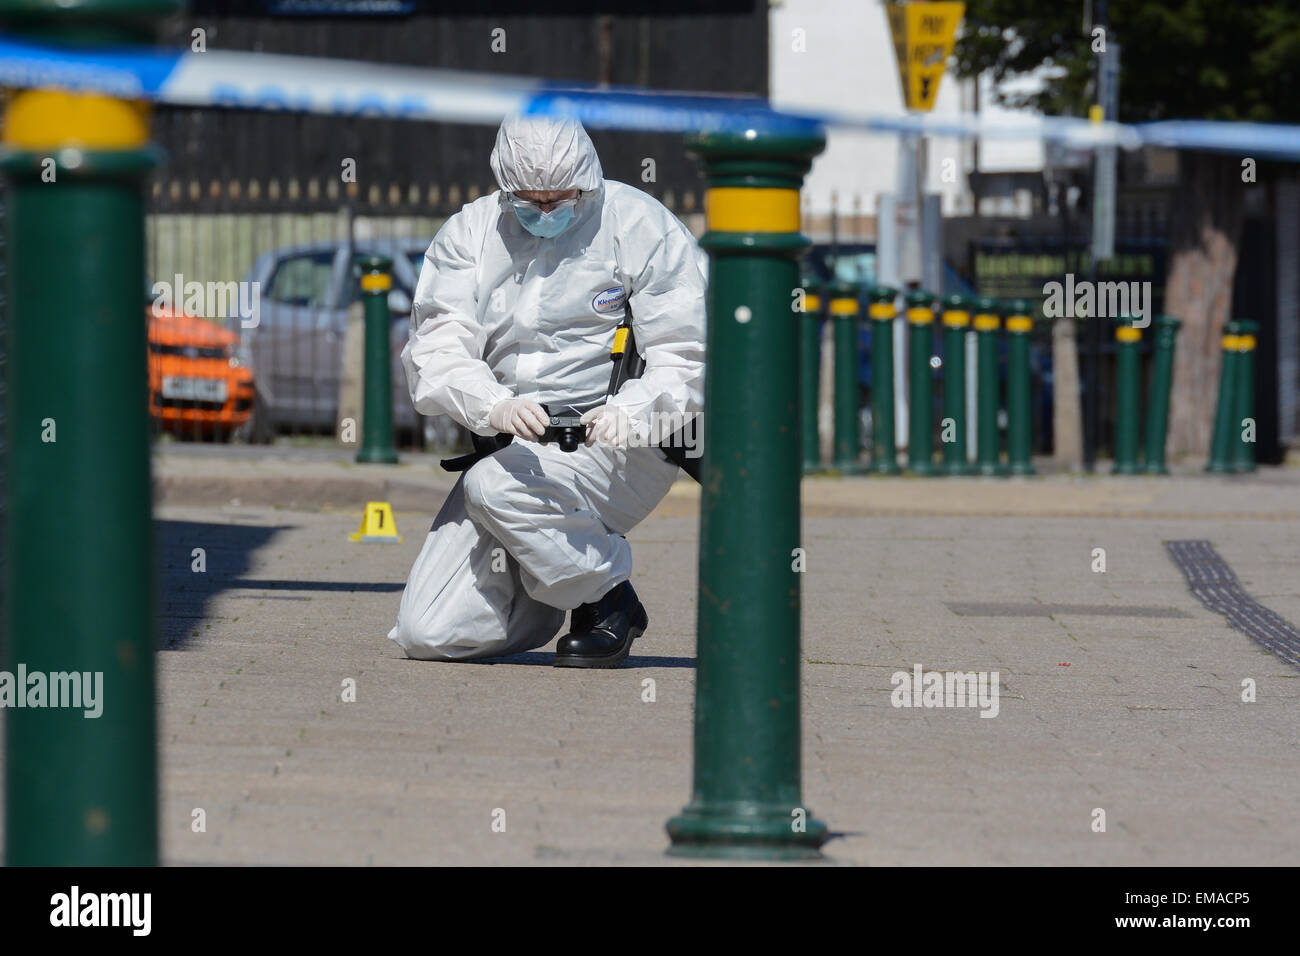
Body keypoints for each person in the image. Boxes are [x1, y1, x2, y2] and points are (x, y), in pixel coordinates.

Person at [387, 114, 707, 668]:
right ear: (503, 186)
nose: (546, 213)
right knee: (428, 631)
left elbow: (689, 353)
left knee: (490, 487)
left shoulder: (639, 226)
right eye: (528, 202)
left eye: (561, 200)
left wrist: (630, 411)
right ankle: (557, 582)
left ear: (589, 179)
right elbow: (437, 350)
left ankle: (607, 600)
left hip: (620, 442)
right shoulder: (469, 234)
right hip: (515, 444)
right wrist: (494, 406)